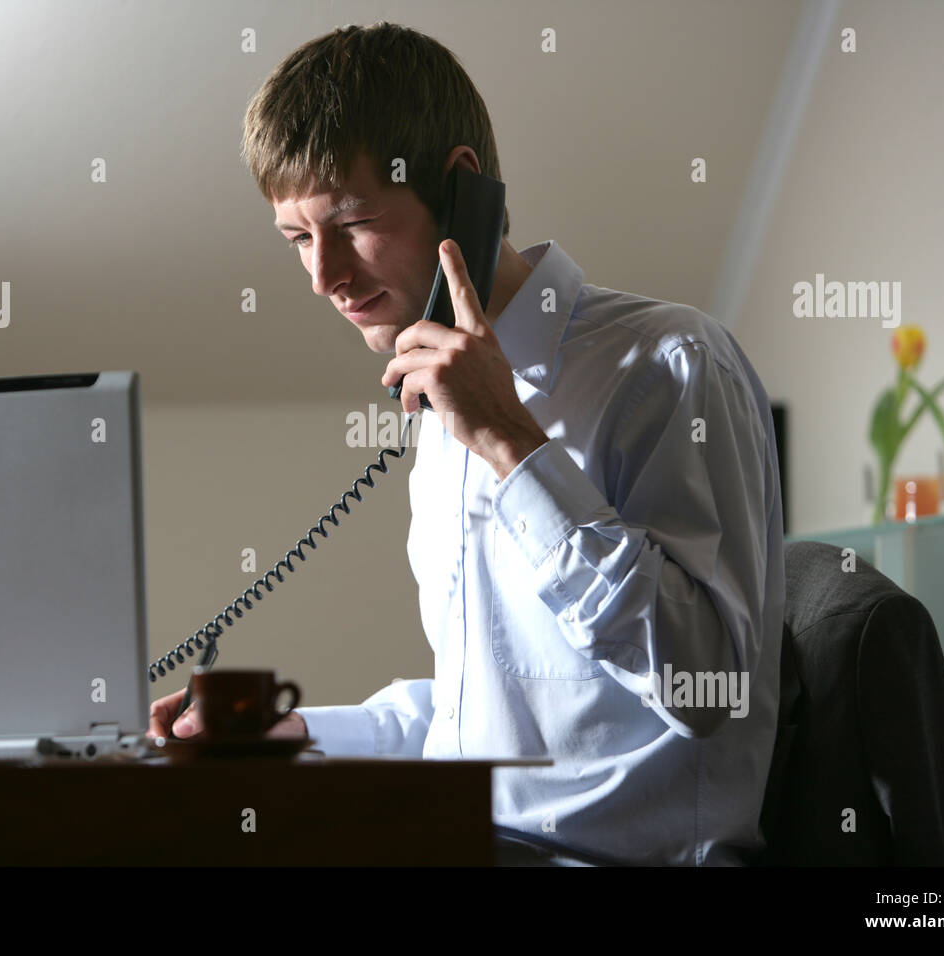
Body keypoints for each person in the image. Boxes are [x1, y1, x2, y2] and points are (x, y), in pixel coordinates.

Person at [148, 21, 784, 866]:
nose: (324, 276)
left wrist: (515, 448)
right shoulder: (441, 405)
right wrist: (294, 733)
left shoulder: (669, 365)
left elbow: (712, 688)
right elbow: (475, 717)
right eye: (299, 239)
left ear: (462, 191)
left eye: (354, 222)